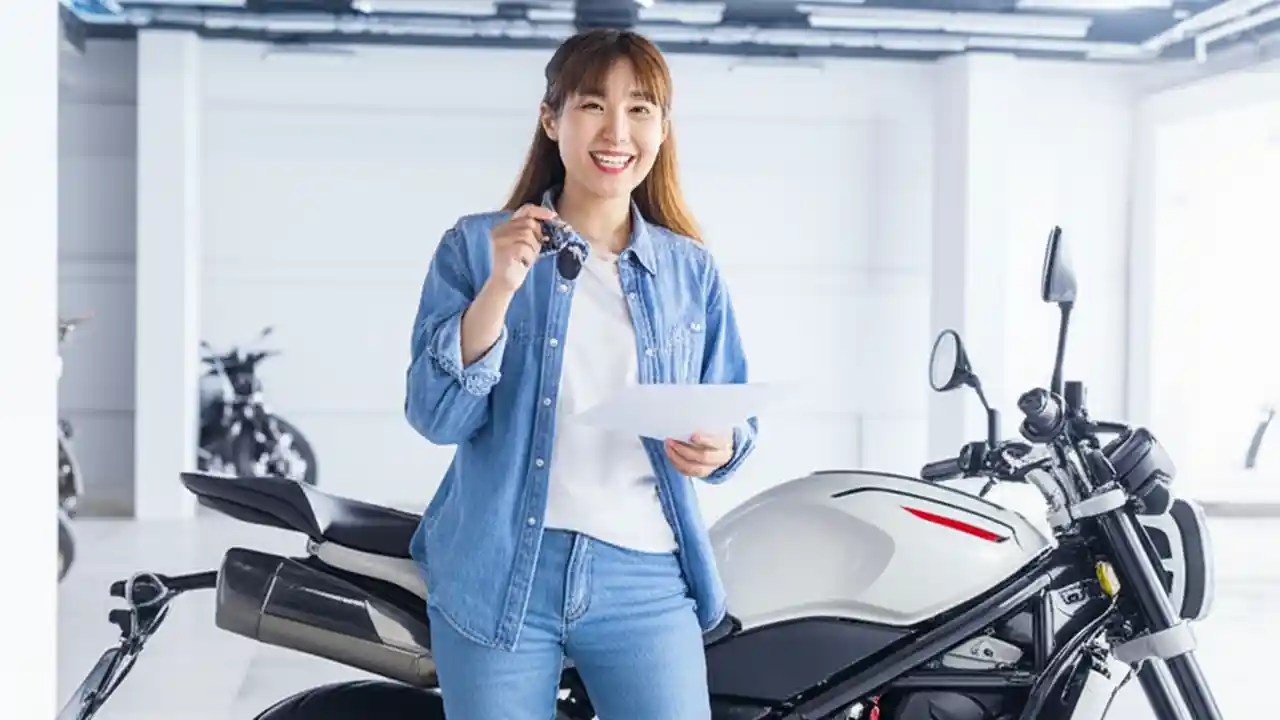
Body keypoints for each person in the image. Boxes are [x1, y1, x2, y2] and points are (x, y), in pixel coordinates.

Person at [403, 27, 757, 719]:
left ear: (662, 128)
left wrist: (721, 444)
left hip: (644, 580)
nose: (616, 131)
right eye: (593, 105)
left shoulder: (691, 271)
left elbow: (733, 422)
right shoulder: (476, 246)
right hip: (500, 569)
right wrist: (500, 288)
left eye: (640, 109)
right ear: (551, 118)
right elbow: (436, 416)